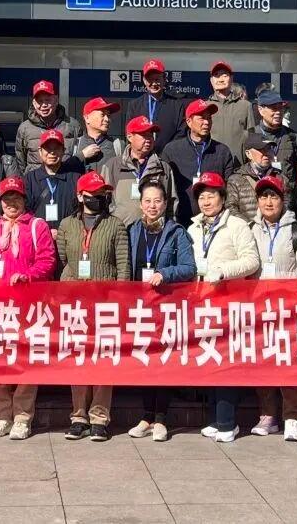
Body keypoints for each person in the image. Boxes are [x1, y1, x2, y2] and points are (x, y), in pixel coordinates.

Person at [0, 176, 55, 441]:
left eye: (16, 197)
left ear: (24, 199)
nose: (11, 203)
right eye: (7, 198)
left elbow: (47, 261)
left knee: (26, 360)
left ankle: (22, 417)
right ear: (0, 202)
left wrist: (28, 276)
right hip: (0, 305)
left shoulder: (37, 226)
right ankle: (2, 415)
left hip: (28, 304)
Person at [55, 172, 129, 442]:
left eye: (101, 195)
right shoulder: (67, 225)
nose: (98, 198)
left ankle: (99, 417)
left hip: (105, 302)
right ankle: (78, 416)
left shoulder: (115, 225)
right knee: (78, 359)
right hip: (75, 302)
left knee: (103, 360)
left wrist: (120, 299)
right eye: (92, 195)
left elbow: (123, 266)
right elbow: (63, 260)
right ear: (80, 196)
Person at [186, 172, 259, 443]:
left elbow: (252, 261)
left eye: (212, 195)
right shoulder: (193, 229)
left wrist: (223, 271)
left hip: (229, 303)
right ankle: (215, 419)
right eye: (202, 197)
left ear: (223, 197)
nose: (206, 201)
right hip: (202, 304)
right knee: (208, 359)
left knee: (226, 362)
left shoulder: (237, 225)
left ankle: (229, 422)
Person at [126, 181, 195, 442]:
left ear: (165, 204)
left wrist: (165, 273)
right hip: (140, 306)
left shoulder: (176, 232)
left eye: (157, 201)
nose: (152, 206)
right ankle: (146, 416)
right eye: (147, 201)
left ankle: (161, 418)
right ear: (140, 204)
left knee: (163, 360)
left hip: (166, 305)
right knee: (144, 360)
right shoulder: (132, 230)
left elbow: (189, 267)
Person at [249, 175, 297, 442]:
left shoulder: (296, 230)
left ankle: (292, 417)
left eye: (273, 196)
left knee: (290, 363)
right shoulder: (250, 229)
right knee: (263, 362)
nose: (268, 202)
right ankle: (268, 415)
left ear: (282, 199)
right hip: (259, 308)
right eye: (263, 196)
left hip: (289, 309)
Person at [162, 99, 238, 225]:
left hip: (214, 221)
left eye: (209, 118)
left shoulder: (222, 151)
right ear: (189, 122)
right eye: (201, 118)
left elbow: (229, 189)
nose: (206, 122)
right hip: (179, 220)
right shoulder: (172, 150)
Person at [104, 116, 173, 226]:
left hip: (155, 231)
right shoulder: (112, 166)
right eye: (144, 135)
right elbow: (104, 202)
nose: (148, 139)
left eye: (151, 135)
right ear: (130, 137)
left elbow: (171, 203)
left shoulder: (163, 168)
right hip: (121, 231)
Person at [15, 80, 81, 171]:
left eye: (48, 100)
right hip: (35, 179)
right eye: (40, 101)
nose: (44, 105)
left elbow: (79, 157)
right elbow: (20, 162)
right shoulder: (24, 128)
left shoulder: (73, 125)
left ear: (56, 100)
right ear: (34, 103)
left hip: (66, 178)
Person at [24, 130, 81, 231]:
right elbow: (25, 212)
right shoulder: (30, 179)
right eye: (48, 148)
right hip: (39, 236)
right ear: (40, 151)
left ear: (63, 151)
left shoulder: (75, 178)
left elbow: (80, 211)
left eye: (57, 148)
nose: (52, 152)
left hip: (68, 235)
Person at [124, 59, 185, 151]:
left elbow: (181, 133)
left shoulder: (177, 105)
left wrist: (168, 152)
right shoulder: (134, 105)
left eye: (157, 79)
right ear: (144, 81)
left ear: (164, 79)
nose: (154, 83)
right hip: (142, 155)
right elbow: (129, 132)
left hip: (168, 156)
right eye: (150, 80)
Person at [225, 133, 278, 223]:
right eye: (261, 149)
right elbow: (231, 208)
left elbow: (286, 206)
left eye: (268, 148)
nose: (266, 153)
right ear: (248, 154)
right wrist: (250, 226)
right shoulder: (236, 180)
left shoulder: (279, 177)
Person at [204, 60, 249, 160]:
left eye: (224, 75)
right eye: (216, 75)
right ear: (211, 80)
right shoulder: (205, 106)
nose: (220, 79)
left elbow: (252, 137)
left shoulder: (245, 106)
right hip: (211, 161)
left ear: (231, 78)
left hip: (238, 164)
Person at [250, 90, 297, 181]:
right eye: (273, 108)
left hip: (285, 189)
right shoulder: (251, 134)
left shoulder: (292, 136)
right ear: (261, 110)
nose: (278, 112)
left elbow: (296, 169)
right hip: (261, 188)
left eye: (280, 108)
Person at [70, 97, 123, 175]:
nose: (107, 119)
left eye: (108, 115)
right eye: (102, 115)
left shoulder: (118, 145)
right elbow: (61, 171)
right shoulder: (74, 145)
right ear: (87, 118)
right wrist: (82, 155)